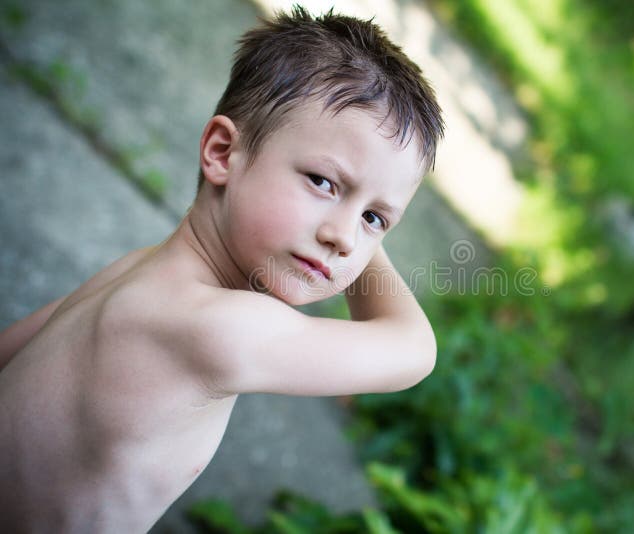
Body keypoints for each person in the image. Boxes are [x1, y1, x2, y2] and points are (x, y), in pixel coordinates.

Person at [0, 6, 444, 532]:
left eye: (374, 219)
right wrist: (370, 223)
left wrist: (355, 206)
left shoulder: (139, 272)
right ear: (222, 151)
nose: (344, 238)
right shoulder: (222, 330)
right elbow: (414, 350)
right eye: (324, 183)